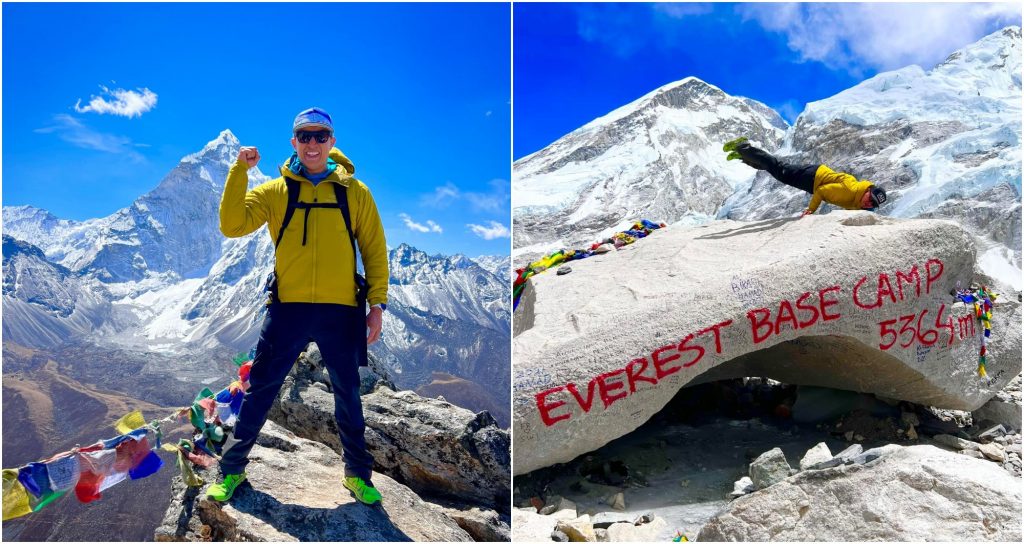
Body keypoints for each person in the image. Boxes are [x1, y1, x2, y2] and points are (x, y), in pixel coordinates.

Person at [208, 107, 389, 505]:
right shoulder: (277, 191)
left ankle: (357, 475)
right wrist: (239, 171)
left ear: (331, 142)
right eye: (304, 136)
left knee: (348, 393)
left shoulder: (354, 192)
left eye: (319, 136)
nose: (312, 143)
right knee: (260, 390)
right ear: (294, 143)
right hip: (287, 307)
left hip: (341, 310)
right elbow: (232, 224)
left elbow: (374, 249)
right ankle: (232, 470)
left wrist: (377, 304)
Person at [723, 137, 887, 215]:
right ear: (868, 190)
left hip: (814, 176)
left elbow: (862, 210)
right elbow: (822, 191)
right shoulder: (850, 191)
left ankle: (744, 156)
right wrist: (811, 210)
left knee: (777, 170)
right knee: (778, 169)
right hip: (813, 178)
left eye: (872, 204)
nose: (869, 204)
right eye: (870, 198)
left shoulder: (859, 198)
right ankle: (744, 148)